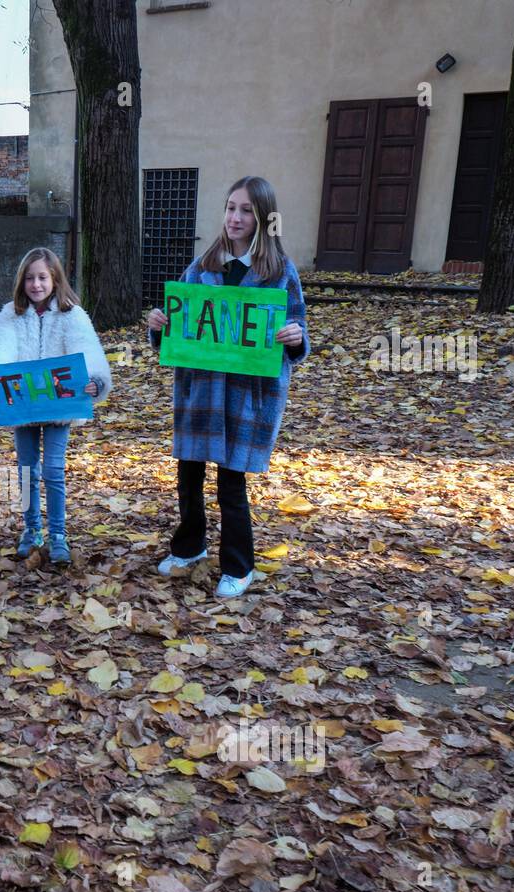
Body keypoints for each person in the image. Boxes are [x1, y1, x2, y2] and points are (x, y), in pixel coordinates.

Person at [147, 176, 310, 598]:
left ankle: (239, 565)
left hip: (245, 397)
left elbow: (297, 327)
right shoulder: (202, 266)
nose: (235, 217)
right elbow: (180, 328)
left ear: (262, 218)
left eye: (246, 211)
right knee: (189, 475)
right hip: (200, 392)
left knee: (232, 485)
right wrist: (160, 327)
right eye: (230, 207)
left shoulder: (278, 272)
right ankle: (189, 547)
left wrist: (295, 338)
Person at [0, 247, 111, 565]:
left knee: (53, 470)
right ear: (22, 282)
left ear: (55, 278)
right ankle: (32, 530)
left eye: (42, 277)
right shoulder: (11, 315)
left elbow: (86, 348)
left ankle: (58, 533)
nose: (36, 284)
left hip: (59, 408)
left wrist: (94, 379)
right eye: (30, 278)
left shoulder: (72, 314)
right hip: (23, 408)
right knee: (27, 470)